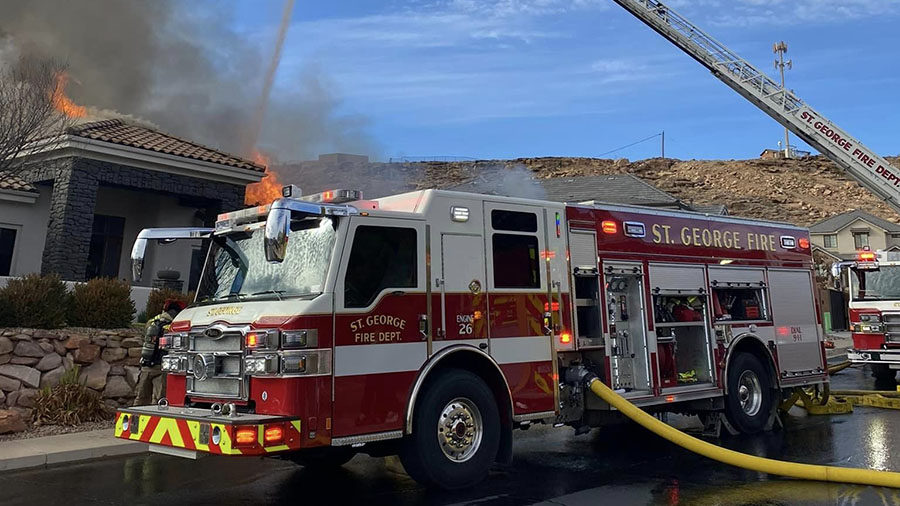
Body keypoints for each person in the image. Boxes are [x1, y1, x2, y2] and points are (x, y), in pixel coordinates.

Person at [133, 300, 186, 406]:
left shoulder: (152, 322)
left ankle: (136, 417)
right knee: (158, 400)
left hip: (146, 366)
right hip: (162, 367)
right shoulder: (175, 325)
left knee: (141, 398)